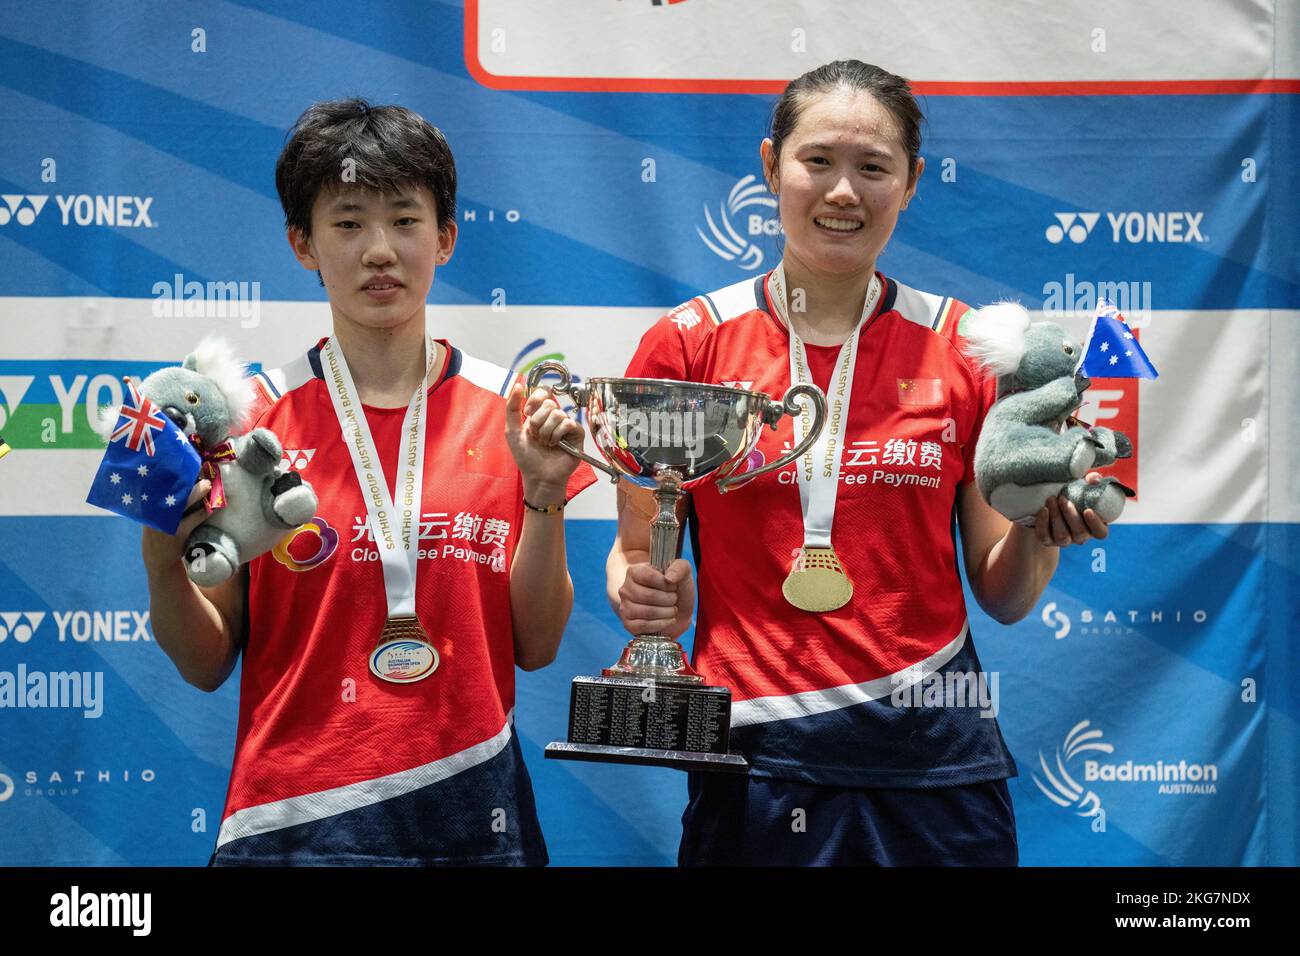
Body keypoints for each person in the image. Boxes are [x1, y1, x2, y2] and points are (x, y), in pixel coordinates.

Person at [607, 61, 1112, 866]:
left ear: (910, 182)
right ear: (771, 165)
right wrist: (638, 585)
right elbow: (639, 546)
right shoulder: (690, 343)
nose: (843, 192)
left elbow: (1004, 592)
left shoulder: (964, 348)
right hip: (757, 759)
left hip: (936, 763)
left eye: (873, 168)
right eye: (819, 162)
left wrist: (1041, 527)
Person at [141, 98, 593, 865]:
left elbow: (539, 645)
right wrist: (161, 553)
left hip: (473, 817)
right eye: (348, 223)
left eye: (406, 220)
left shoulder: (512, 415)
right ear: (302, 243)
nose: (380, 250)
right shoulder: (254, 430)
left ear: (445, 239)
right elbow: (205, 662)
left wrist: (543, 495)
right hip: (293, 825)